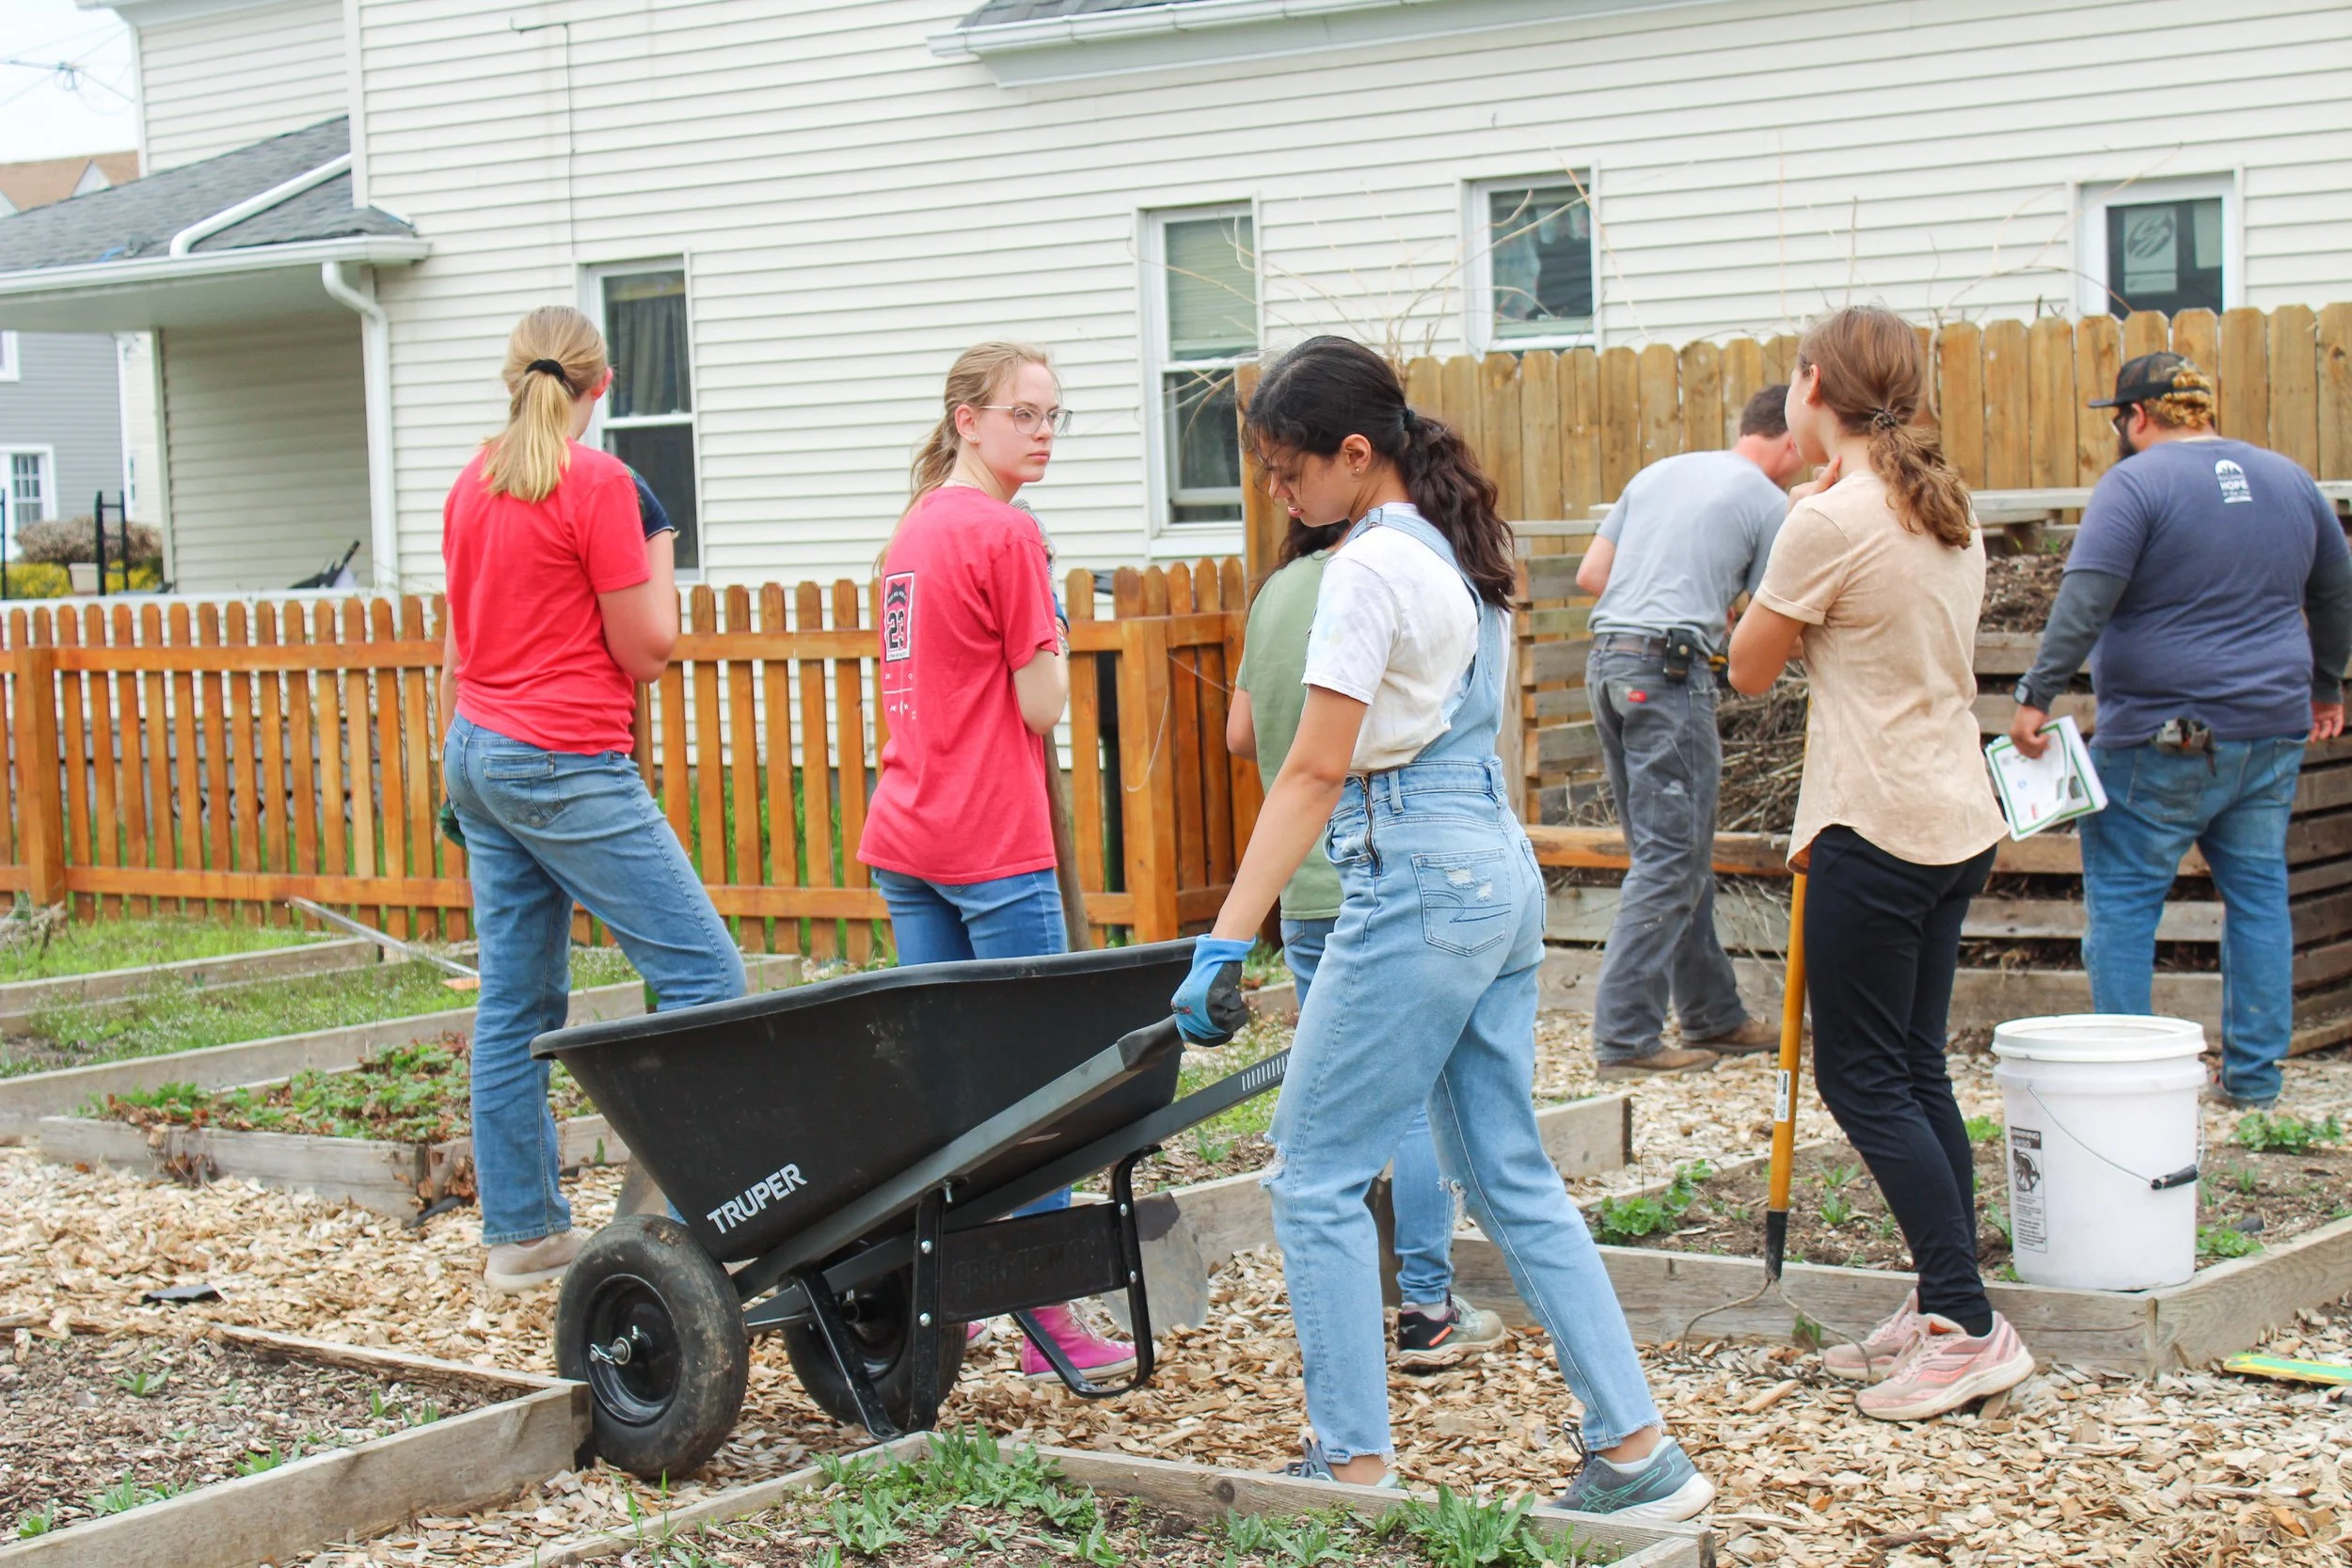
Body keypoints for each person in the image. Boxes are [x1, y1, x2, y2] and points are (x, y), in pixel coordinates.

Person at [1171, 336, 1713, 1520]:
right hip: (1490, 865)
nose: (1276, 492)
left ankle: (1351, 1469)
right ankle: (1635, 1450)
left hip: (1416, 875)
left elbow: (1310, 768)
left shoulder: (1366, 571)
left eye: (1284, 466)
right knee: (1509, 1171)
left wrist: (1226, 936)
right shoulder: (1458, 549)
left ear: (1353, 454)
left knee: (1309, 1175)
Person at [1725, 305, 2033, 1420]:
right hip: (1954, 814)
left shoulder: (1827, 520)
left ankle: (1967, 1322)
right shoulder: (1943, 509)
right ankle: (1942, 1302)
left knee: (1863, 1079)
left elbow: (1747, 669)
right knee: (1915, 1069)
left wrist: (1783, 553)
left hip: (1874, 823)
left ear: (1812, 385)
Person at [438, 306, 746, 1293]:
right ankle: (687, 1221)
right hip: (563, 758)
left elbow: (459, 646)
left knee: (516, 1001)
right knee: (708, 981)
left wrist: (462, 762)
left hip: (480, 751)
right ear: (601, 385)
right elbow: (647, 649)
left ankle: (522, 1236)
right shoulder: (602, 484)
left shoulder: (470, 482)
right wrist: (659, 551)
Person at [854, 341, 1136, 1383]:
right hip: (990, 842)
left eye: (1055, 414)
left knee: (949, 1090)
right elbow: (1042, 704)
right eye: (1024, 413)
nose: (1044, 431)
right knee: (1036, 1087)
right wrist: (1054, 621)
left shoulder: (913, 528)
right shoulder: (1008, 533)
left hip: (908, 829)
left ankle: (952, 1297)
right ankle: (1044, 1310)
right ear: (966, 418)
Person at [2008, 353, 2352, 1109]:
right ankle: (2256, 1081)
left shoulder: (2134, 484)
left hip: (2162, 738)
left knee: (2127, 904)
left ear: (2137, 417)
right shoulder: (2292, 479)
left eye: (2120, 420)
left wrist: (2035, 694)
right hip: (2271, 729)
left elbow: (2087, 598)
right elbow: (2335, 592)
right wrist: (2327, 686)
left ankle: (2133, 1088)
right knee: (2259, 893)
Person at [1231, 513, 1508, 1372]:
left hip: (1300, 887)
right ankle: (1425, 1305)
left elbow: (1244, 736)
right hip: (1376, 870)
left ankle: (1340, 1306)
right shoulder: (1397, 576)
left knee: (1332, 1113)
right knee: (1411, 1096)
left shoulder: (1276, 593)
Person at [1577, 386, 1808, 1077]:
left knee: (1674, 850)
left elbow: (1593, 574)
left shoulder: (1657, 473)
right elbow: (1776, 621)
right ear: (1790, 440)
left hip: (1608, 665)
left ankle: (1714, 1014)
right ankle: (1624, 1038)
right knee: (1671, 860)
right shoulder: (1770, 503)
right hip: (1668, 675)